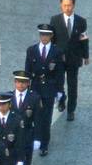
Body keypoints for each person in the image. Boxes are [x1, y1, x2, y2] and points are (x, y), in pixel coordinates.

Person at [25, 23, 65, 157]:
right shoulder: (31, 50)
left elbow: (59, 72)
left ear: (51, 36)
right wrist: (26, 88)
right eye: (42, 34)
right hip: (35, 87)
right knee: (34, 116)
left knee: (46, 118)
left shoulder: (57, 52)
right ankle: (34, 138)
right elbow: (27, 71)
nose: (44, 37)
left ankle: (44, 144)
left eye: (47, 35)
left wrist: (60, 91)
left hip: (49, 88)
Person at [48, 0, 89, 122]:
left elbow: (84, 39)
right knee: (58, 84)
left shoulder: (81, 21)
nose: (67, 8)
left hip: (74, 59)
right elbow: (52, 40)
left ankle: (71, 110)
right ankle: (61, 99)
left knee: (73, 85)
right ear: (61, 5)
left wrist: (86, 56)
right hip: (59, 59)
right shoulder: (54, 20)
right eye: (65, 5)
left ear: (74, 5)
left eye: (69, 5)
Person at [8, 72, 41, 165]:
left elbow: (39, 120)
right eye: (18, 82)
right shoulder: (8, 98)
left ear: (28, 83)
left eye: (23, 82)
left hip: (27, 135)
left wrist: (38, 138)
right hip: (11, 137)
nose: (20, 85)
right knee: (10, 164)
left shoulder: (34, 98)